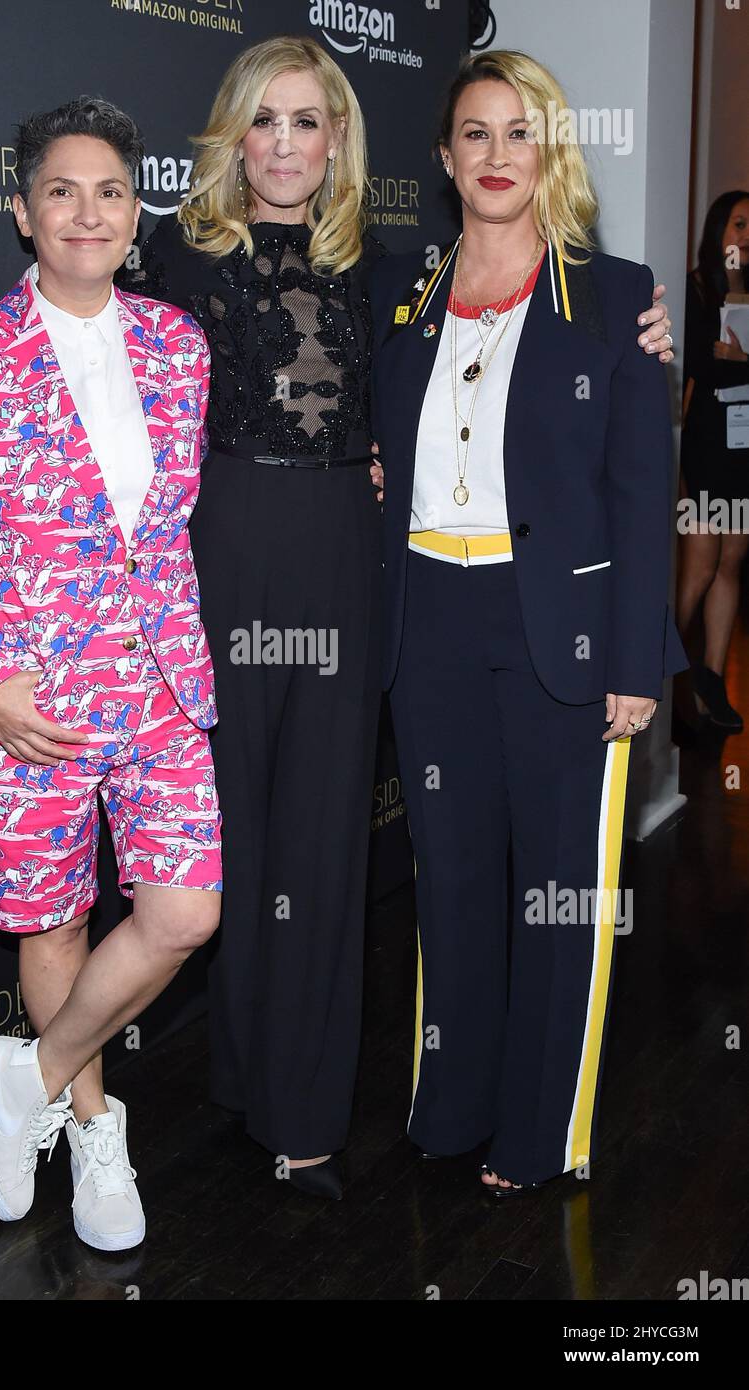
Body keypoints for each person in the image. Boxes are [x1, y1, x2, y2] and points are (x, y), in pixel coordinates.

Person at [0, 40, 674, 1204]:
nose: (285, 143)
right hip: (208, 576)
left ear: (339, 139)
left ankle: (306, 1119)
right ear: (233, 135)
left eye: (308, 121)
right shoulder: (167, 257)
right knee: (230, 853)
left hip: (347, 572)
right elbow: (66, 318)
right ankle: (241, 1083)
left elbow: (508, 385)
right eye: (264, 119)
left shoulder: (392, 272)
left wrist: (640, 330)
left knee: (321, 844)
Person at [0, 97, 222, 1251]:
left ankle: (22, 1078)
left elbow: (169, 527)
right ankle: (89, 1129)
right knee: (56, 925)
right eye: (63, 192)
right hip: (24, 702)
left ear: (137, 211)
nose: (90, 212)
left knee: (183, 912)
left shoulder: (179, 345)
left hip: (157, 682)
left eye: (112, 191)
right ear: (23, 212)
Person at [368, 50, 688, 1196]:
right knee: (451, 878)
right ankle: (452, 1103)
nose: (497, 155)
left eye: (520, 132)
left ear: (549, 151)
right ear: (446, 157)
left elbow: (643, 494)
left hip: (563, 631)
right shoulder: (397, 290)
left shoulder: (615, 295)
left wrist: (638, 659)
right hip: (429, 621)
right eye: (476, 133)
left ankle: (542, 1131)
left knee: (559, 892)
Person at [676, 191, 749, 731]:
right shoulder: (696, 287)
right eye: (739, 224)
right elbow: (701, 366)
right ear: (719, 228)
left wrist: (742, 357)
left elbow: (733, 362)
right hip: (707, 442)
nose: (746, 236)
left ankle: (712, 681)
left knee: (731, 562)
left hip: (744, 445)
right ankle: (662, 668)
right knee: (701, 563)